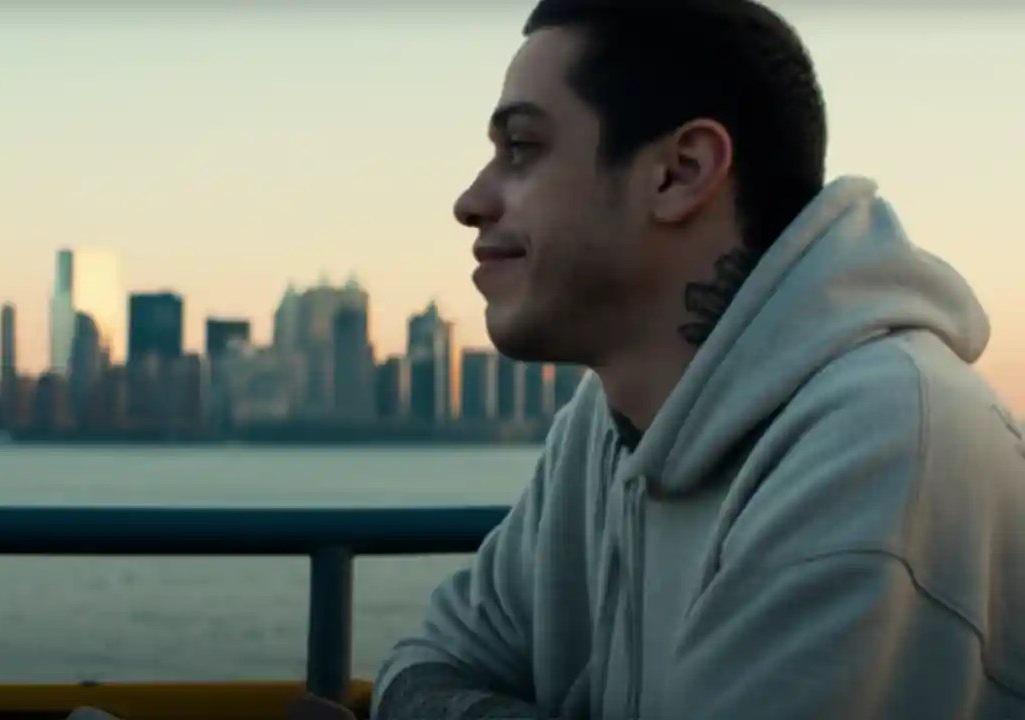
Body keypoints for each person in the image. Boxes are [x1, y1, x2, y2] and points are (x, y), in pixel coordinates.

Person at [371, 1, 1025, 719]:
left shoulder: (879, 443)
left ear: (680, 173)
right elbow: (425, 664)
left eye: (521, 148)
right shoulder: (607, 422)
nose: (471, 201)